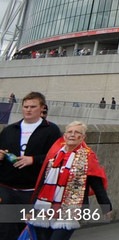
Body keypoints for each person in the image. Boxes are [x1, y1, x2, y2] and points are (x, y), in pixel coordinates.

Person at [25, 121, 112, 240]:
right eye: (70, 132)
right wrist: (32, 208)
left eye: (77, 132)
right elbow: (42, 183)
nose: (72, 135)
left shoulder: (88, 157)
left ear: (83, 137)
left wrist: (106, 207)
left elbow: (97, 184)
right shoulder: (54, 154)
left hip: (71, 209)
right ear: (64, 136)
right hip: (46, 207)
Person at [0, 92, 62, 240]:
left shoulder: (51, 130)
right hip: (6, 189)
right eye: (25, 106)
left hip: (32, 191)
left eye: (33, 106)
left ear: (42, 108)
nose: (28, 110)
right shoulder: (10, 129)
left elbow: (57, 157)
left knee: (30, 231)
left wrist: (33, 160)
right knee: (4, 230)